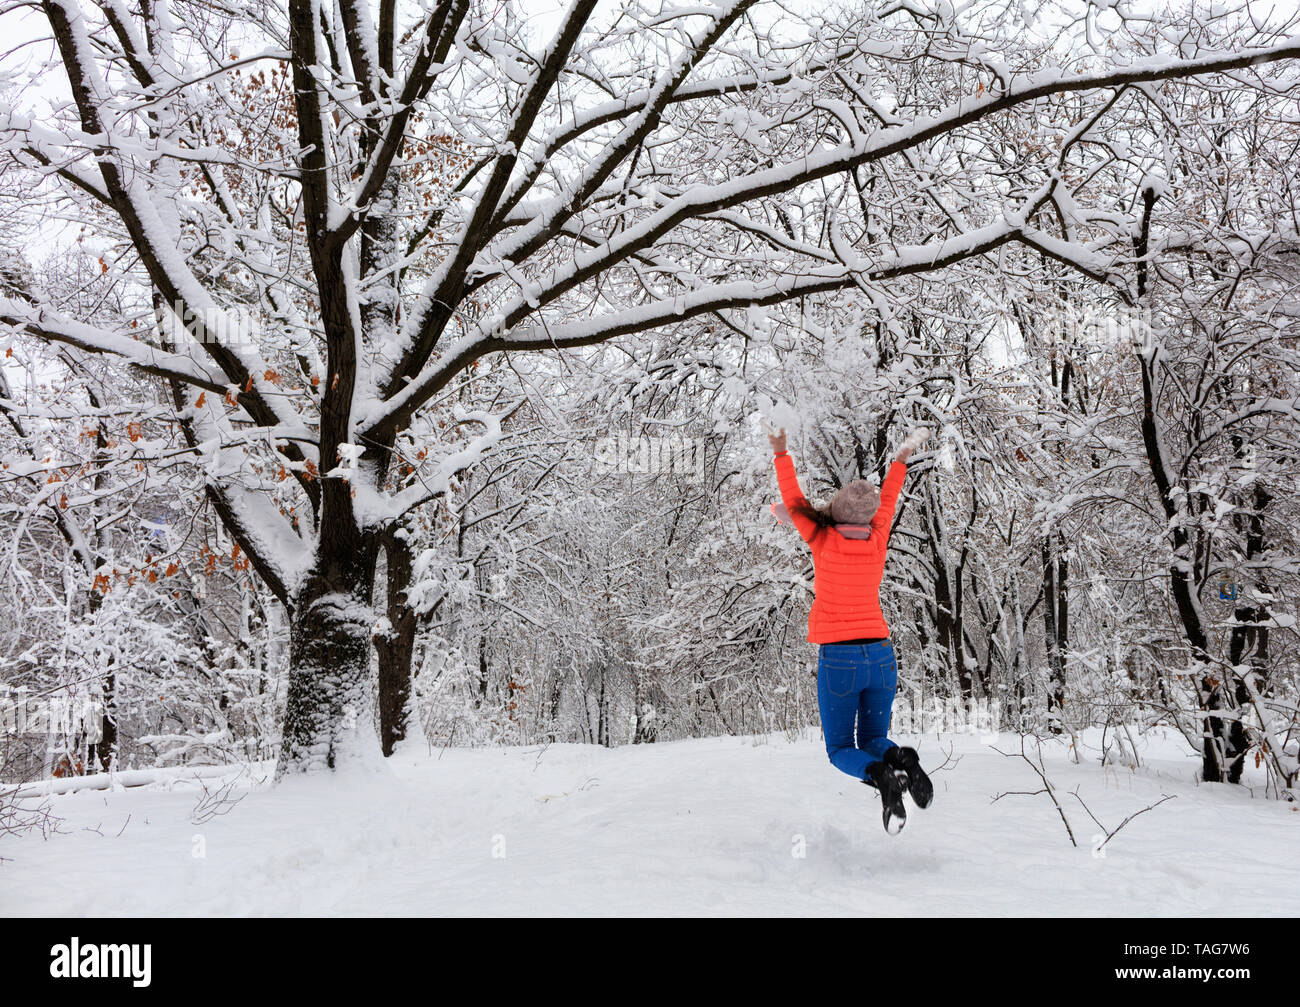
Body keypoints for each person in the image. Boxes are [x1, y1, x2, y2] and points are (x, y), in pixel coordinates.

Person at [768, 424, 933, 834]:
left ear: (836, 510)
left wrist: (781, 451)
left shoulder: (822, 538)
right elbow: (890, 499)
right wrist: (902, 457)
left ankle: (882, 778)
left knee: (842, 748)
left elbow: (794, 500)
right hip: (880, 655)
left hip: (840, 659)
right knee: (876, 738)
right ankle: (903, 763)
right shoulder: (877, 539)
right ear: (870, 516)